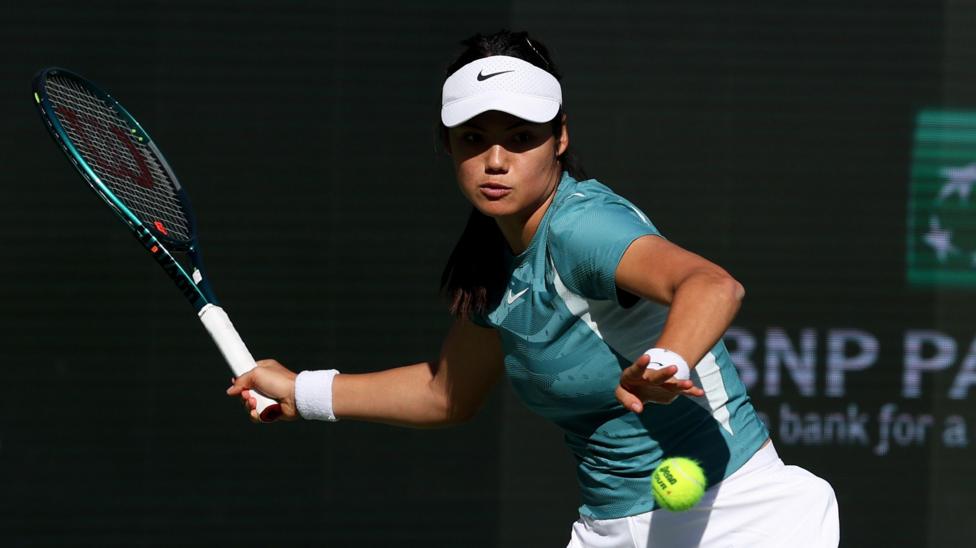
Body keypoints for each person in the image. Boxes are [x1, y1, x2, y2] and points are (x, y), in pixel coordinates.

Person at [227, 29, 840, 548]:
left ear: (561, 137)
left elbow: (711, 284)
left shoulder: (581, 226)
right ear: (447, 145)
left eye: (521, 137)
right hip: (611, 528)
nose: (497, 159)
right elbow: (447, 393)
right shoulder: (493, 262)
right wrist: (302, 391)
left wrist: (666, 360)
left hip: (736, 518)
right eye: (474, 139)